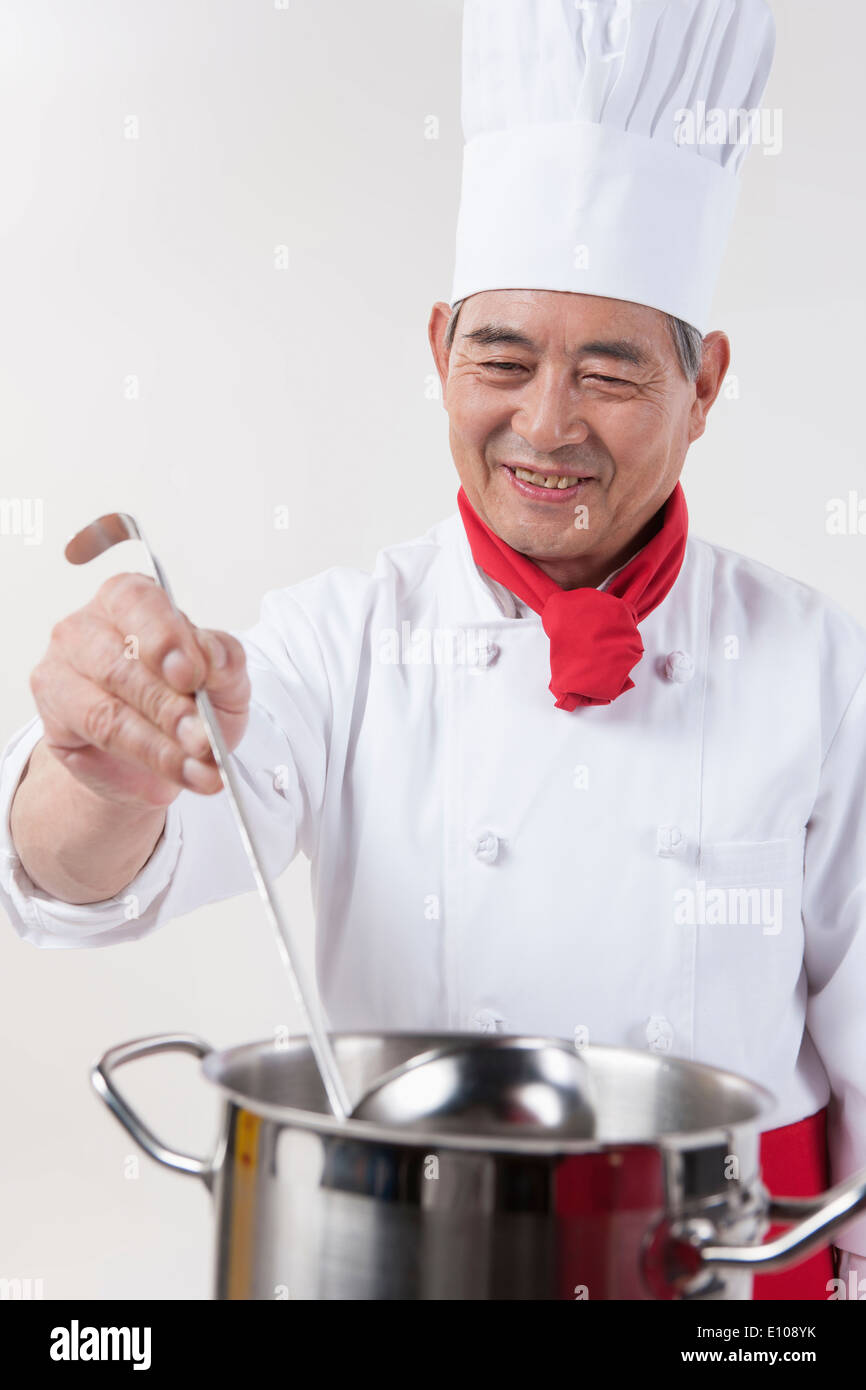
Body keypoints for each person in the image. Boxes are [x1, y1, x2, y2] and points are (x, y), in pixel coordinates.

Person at [2, 0, 865, 1299]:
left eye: (613, 374)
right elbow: (81, 880)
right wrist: (100, 763)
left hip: (718, 1290)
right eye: (499, 356)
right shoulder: (337, 641)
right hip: (400, 1266)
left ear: (705, 386)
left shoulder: (815, 665)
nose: (544, 422)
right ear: (436, 351)